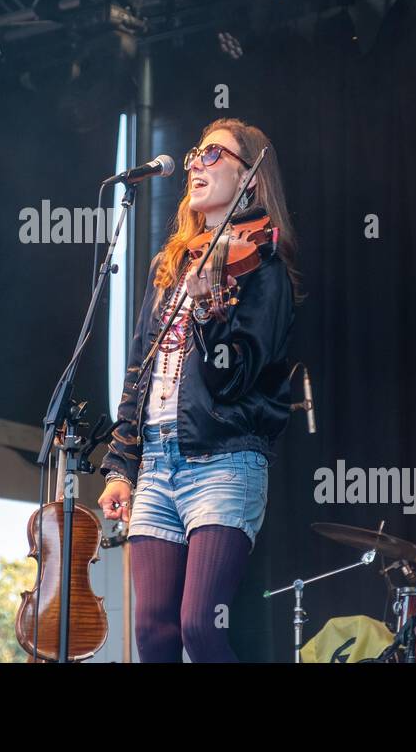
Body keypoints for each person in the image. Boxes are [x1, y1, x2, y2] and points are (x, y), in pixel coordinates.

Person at [97, 118, 301, 662]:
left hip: (225, 461)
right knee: (152, 634)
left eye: (213, 155)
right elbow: (139, 367)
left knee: (200, 628)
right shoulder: (170, 267)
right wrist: (121, 464)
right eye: (194, 154)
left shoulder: (265, 270)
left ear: (250, 180)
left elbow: (233, 378)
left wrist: (211, 314)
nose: (194, 163)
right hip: (157, 463)